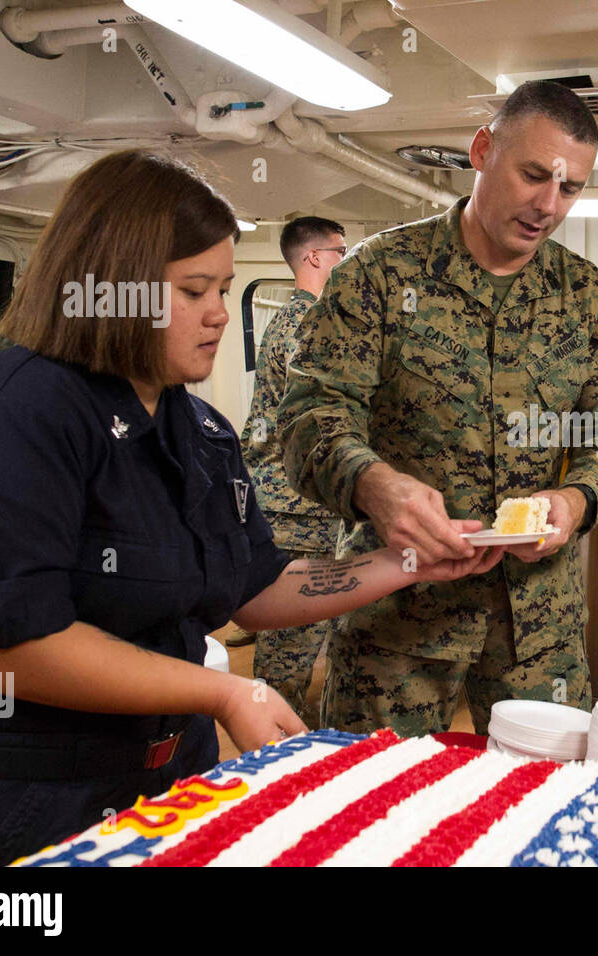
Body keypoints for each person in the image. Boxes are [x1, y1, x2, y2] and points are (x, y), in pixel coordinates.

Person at [0, 149, 502, 867]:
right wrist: (225, 694)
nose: (221, 315)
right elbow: (13, 647)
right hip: (22, 800)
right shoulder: (16, 413)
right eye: (194, 290)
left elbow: (255, 589)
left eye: (224, 288)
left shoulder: (199, 431)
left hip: (162, 780)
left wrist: (413, 558)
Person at [278, 80, 598, 736]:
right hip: (397, 622)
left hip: (538, 630)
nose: (547, 205)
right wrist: (373, 484)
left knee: (545, 812)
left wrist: (576, 503)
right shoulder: (378, 276)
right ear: (483, 150)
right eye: (534, 175)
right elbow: (310, 418)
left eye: (569, 188)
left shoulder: (589, 299)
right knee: (379, 811)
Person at [238, 216, 349, 724]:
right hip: (297, 510)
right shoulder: (310, 323)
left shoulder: (298, 318)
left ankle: (298, 744)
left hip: (295, 505)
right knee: (289, 650)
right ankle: (272, 758)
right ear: (313, 257)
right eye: (340, 252)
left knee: (300, 641)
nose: (346, 261)